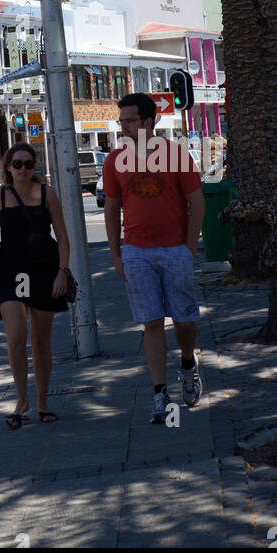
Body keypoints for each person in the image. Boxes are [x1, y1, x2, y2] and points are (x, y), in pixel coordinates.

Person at [103, 92, 205, 423]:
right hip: (136, 252)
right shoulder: (115, 160)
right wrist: (116, 253)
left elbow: (197, 202)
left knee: (185, 320)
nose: (124, 127)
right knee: (151, 322)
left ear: (149, 122)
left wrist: (189, 247)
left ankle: (188, 363)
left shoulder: (176, 155)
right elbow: (112, 208)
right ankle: (160, 393)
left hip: (175, 249)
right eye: (122, 122)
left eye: (129, 121)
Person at [0, 142, 70, 428]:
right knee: (16, 337)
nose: (22, 169)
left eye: (28, 164)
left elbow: (63, 238)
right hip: (10, 273)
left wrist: (62, 273)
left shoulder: (46, 194)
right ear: (7, 166)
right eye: (17, 164)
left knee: (41, 341)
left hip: (43, 271)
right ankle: (22, 401)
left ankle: (42, 402)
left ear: (34, 167)